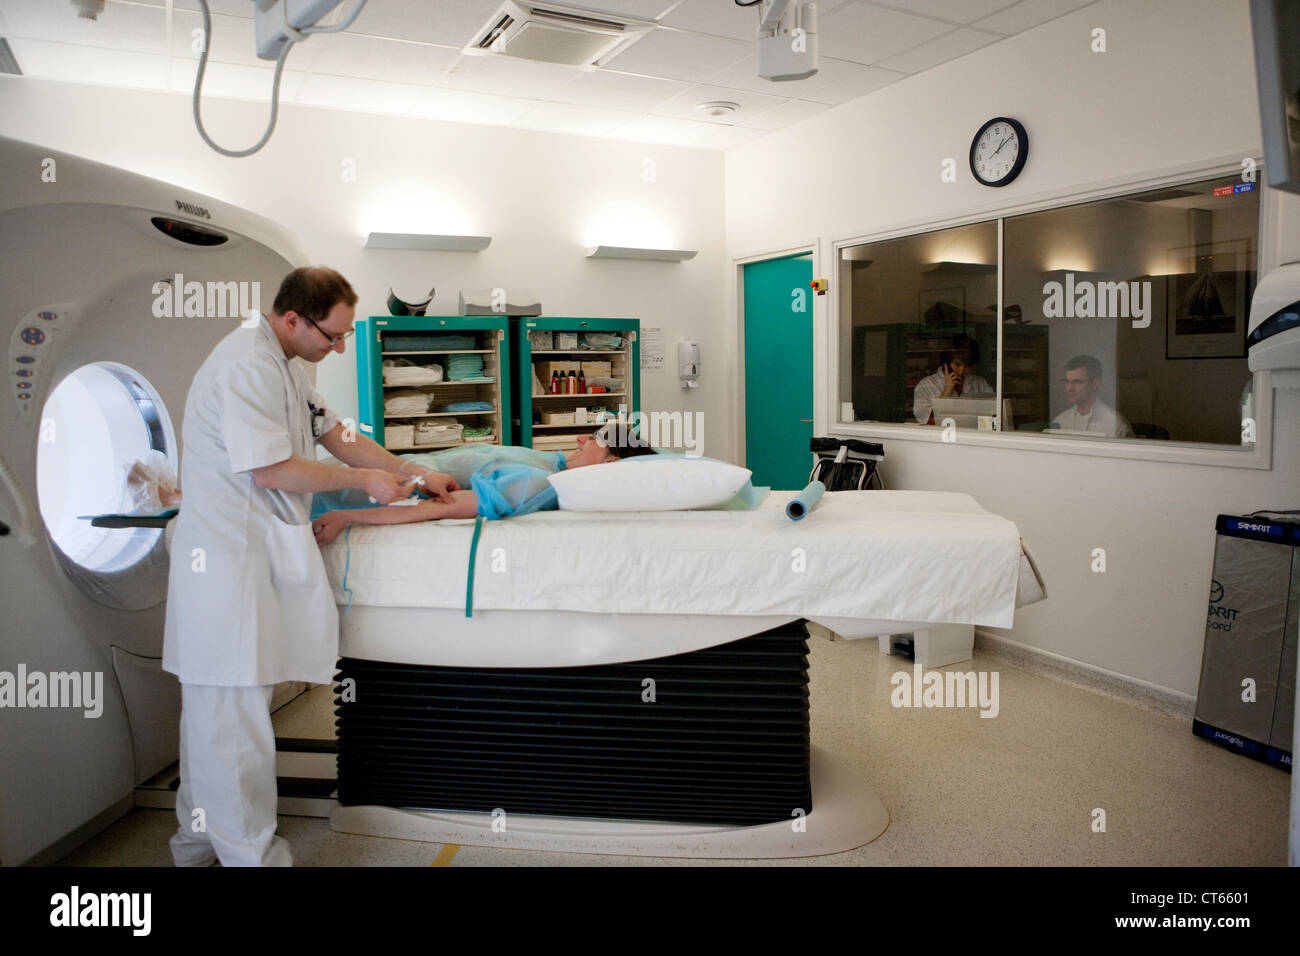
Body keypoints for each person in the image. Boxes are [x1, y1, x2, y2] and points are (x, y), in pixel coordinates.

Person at [163, 266, 458, 867]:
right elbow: (269, 470)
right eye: (334, 336)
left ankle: (196, 845)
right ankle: (253, 856)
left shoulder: (288, 366)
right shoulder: (245, 365)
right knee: (232, 721)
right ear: (292, 318)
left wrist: (414, 475)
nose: (341, 347)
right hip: (224, 562)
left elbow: (339, 434)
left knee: (216, 716)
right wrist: (365, 483)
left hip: (252, 556)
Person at [311, 424, 655, 544]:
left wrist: (348, 517)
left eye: (596, 439)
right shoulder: (549, 463)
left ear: (611, 463)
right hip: (383, 470)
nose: (582, 439)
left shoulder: (537, 484)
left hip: (374, 490)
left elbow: (432, 507)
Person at [912, 334, 994, 424]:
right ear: (945, 363)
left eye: (967, 366)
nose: (962, 371)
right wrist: (947, 391)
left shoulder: (980, 383)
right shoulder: (926, 385)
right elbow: (927, 424)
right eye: (957, 364)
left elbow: (993, 415)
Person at [1052, 354, 1134, 438]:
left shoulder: (1116, 425)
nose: (1069, 388)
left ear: (1095, 383)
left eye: (1077, 382)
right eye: (1067, 382)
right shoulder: (1061, 421)